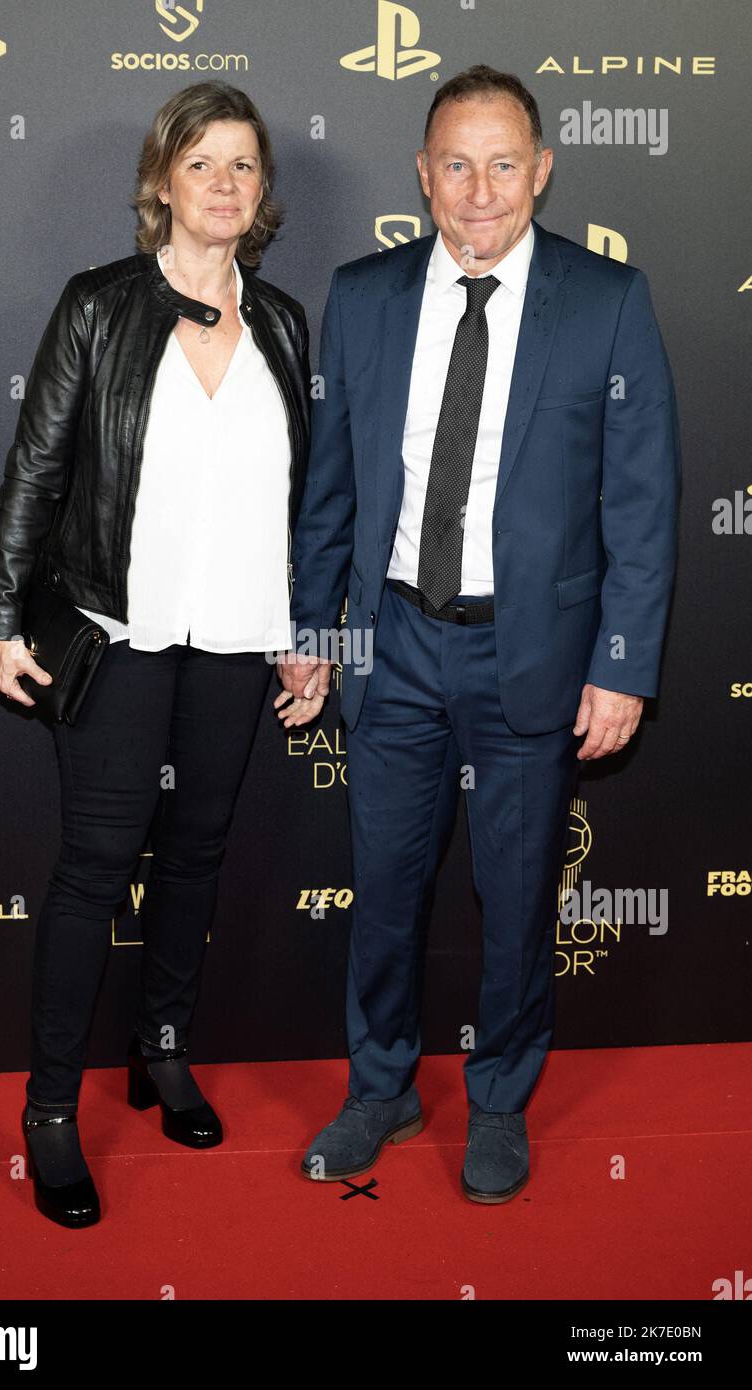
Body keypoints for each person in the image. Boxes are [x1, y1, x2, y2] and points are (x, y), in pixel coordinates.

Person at [276, 64, 680, 1202]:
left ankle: (497, 1099)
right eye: (456, 163)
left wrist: (620, 667)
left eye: (504, 163)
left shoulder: (606, 300)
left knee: (514, 899)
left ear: (541, 171)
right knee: (385, 889)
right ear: (423, 173)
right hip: (395, 642)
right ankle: (380, 1090)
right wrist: (315, 631)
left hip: (533, 657)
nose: (480, 189)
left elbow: (641, 509)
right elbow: (332, 493)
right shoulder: (361, 297)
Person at [0, 81, 310, 1228]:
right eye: (202, 161)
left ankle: (161, 1046)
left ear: (264, 193)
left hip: (235, 640)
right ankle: (52, 1109)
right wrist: (1, 619)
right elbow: (35, 470)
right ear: (163, 179)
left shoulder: (284, 322)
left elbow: (303, 499)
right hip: (118, 639)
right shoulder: (98, 306)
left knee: (197, 855)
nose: (223, 182)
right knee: (89, 869)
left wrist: (303, 633)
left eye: (244, 166)